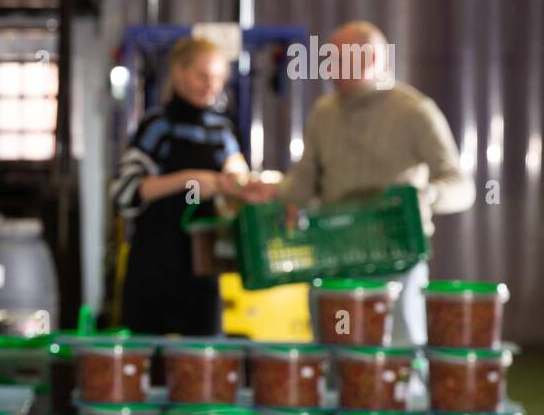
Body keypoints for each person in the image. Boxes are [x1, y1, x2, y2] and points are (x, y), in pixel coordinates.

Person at [276, 21, 474, 345]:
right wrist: (265, 192)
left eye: (337, 60)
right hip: (333, 253)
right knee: (333, 348)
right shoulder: (323, 113)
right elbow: (302, 185)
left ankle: (406, 392)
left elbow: (461, 184)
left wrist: (428, 196)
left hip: (397, 253)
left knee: (399, 348)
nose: (328, 69)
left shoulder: (414, 111)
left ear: (371, 58)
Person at [111, 37, 265, 336]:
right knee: (147, 362)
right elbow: (125, 192)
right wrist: (190, 181)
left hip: (202, 268)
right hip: (154, 266)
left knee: (203, 363)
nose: (211, 85)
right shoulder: (157, 126)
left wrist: (238, 183)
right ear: (179, 72)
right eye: (203, 75)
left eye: (219, 78)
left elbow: (235, 170)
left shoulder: (221, 131)